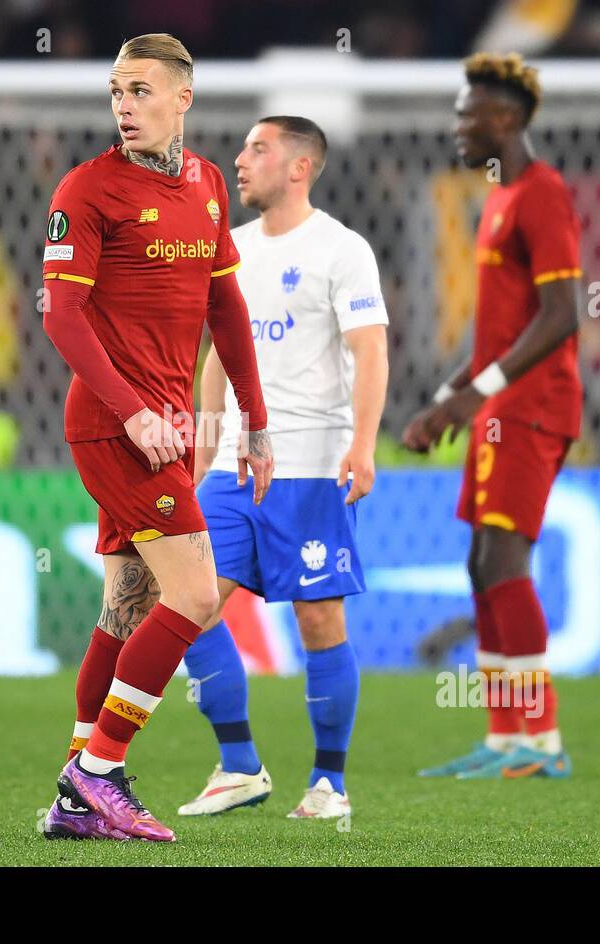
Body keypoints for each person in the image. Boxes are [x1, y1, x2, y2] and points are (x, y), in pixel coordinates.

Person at [39, 33, 274, 842]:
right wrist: (132, 409)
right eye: (115, 92)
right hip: (114, 426)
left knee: (125, 608)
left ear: (183, 98)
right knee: (198, 595)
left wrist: (255, 416)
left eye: (140, 90)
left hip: (168, 427)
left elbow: (226, 309)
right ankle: (97, 774)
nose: (125, 105)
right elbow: (61, 314)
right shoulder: (88, 189)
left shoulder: (207, 184)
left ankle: (76, 786)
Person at [179, 116, 389, 819]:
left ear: (299, 167)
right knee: (187, 602)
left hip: (310, 465)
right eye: (242, 148)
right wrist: (204, 450)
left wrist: (362, 444)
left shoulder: (342, 250)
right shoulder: (229, 248)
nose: (239, 160)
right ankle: (239, 764)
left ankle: (329, 784)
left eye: (257, 149)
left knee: (319, 622)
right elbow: (217, 357)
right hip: (233, 470)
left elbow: (370, 350)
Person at [404, 52, 582, 780]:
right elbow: (503, 330)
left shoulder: (542, 195)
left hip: (534, 406)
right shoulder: (499, 198)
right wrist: (451, 395)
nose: (458, 126)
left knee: (505, 561)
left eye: (468, 113)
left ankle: (540, 741)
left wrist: (480, 393)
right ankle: (508, 737)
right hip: (498, 405)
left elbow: (563, 315)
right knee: (483, 563)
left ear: (506, 118)